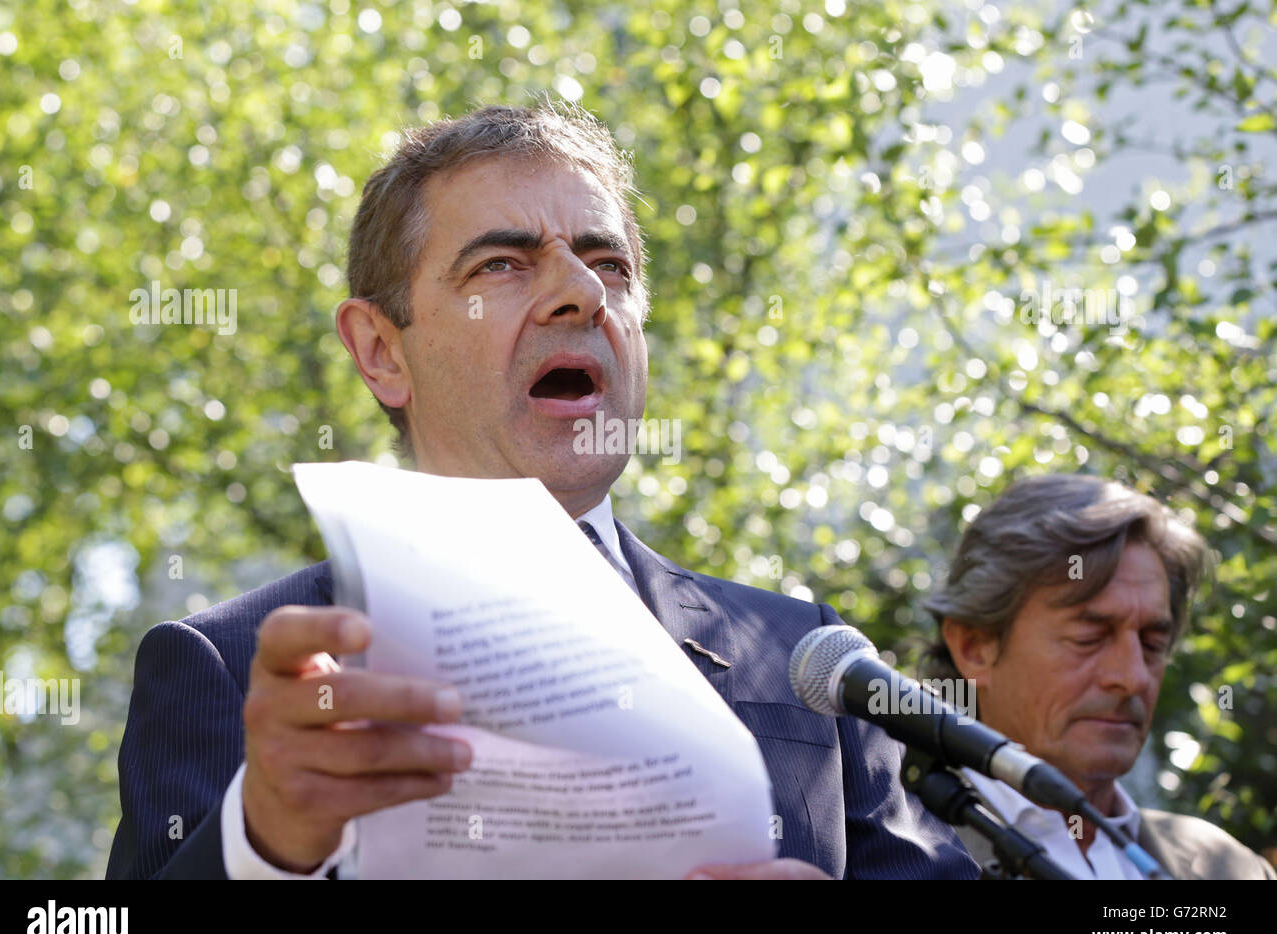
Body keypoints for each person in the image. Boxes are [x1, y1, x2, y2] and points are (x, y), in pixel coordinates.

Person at [107, 100, 977, 880]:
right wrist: (267, 845)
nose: (580, 292)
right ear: (380, 351)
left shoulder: (805, 662)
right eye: (501, 266)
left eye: (609, 264)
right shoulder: (230, 668)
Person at [922, 473, 1275, 879]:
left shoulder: (1226, 867)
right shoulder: (889, 855)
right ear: (974, 647)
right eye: (1088, 638)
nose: (1133, 677)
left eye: (1152, 644)